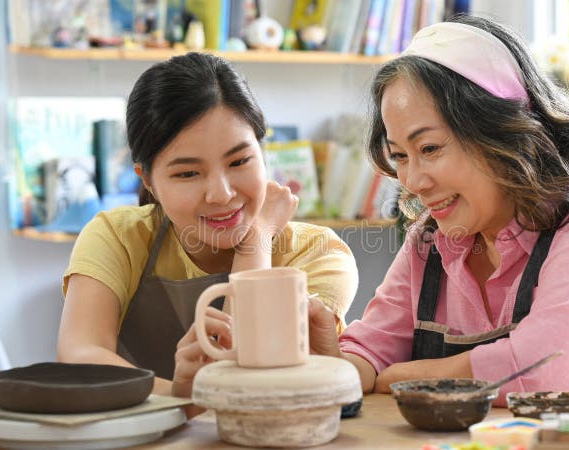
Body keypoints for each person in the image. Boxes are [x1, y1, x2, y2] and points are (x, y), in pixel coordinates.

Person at [308, 15, 569, 404]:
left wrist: (401, 377)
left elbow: (545, 369)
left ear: (500, 133)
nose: (413, 181)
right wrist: (335, 364)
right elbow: (372, 348)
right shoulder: (430, 240)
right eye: (400, 156)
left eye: (429, 148)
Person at [58, 52, 358, 409]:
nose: (222, 194)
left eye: (239, 161)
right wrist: (181, 398)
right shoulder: (116, 237)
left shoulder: (319, 253)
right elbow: (80, 355)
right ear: (148, 181)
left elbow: (248, 379)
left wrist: (256, 239)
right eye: (188, 173)